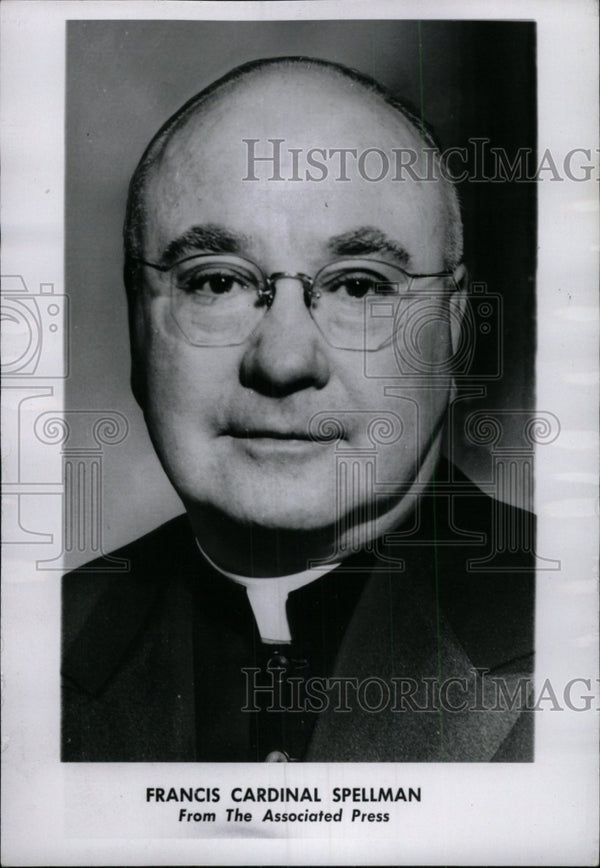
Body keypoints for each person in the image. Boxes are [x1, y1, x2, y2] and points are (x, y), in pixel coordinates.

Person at [62, 57, 534, 762]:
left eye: (359, 288)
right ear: (137, 315)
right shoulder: (37, 645)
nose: (282, 363)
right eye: (216, 281)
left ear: (456, 324)